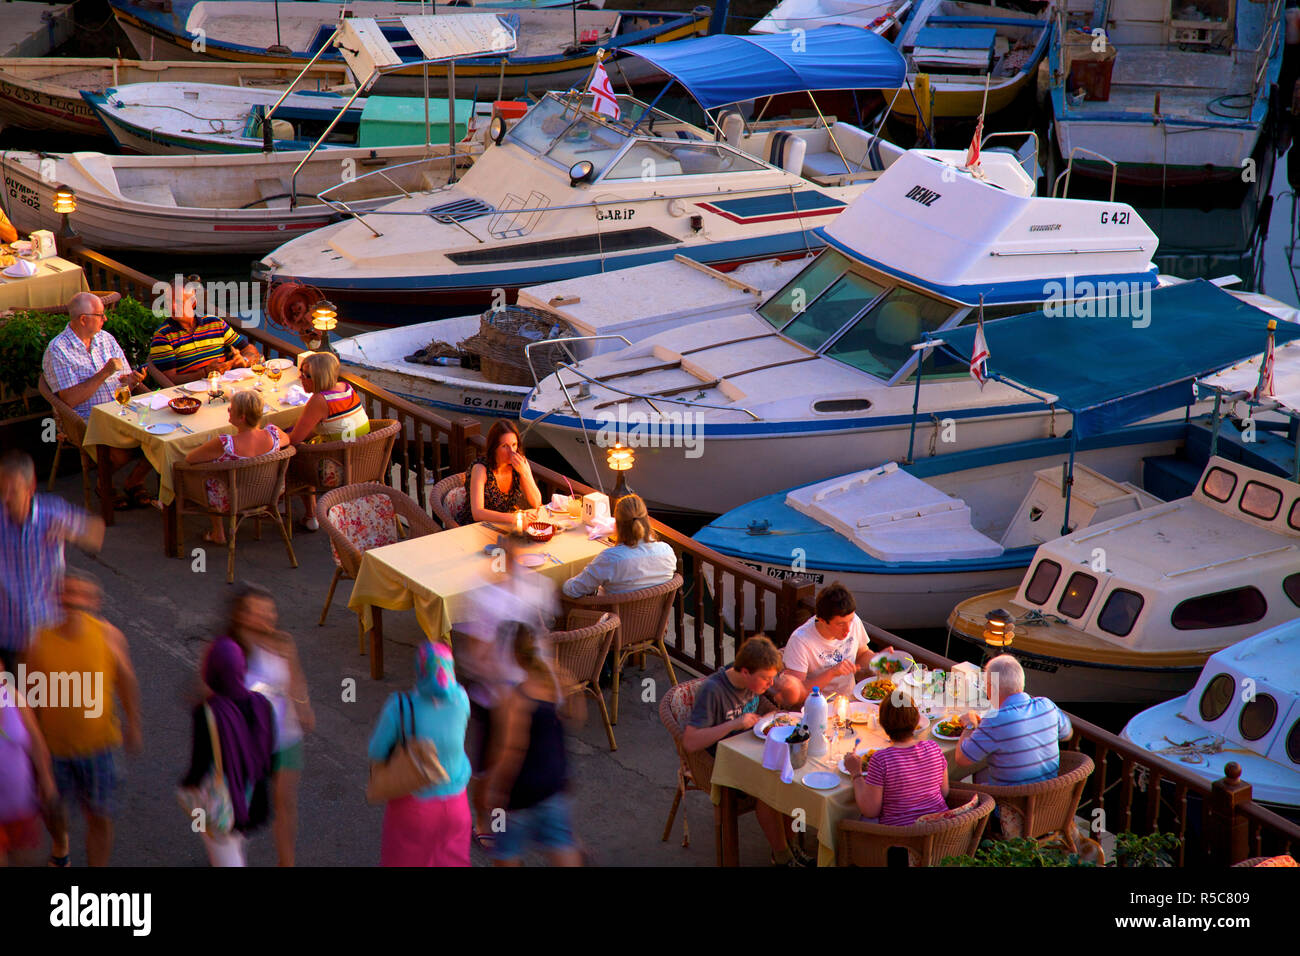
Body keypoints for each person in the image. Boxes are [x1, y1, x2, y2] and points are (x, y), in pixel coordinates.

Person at [26, 570, 142, 867]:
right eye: (67, 592)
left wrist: (134, 724)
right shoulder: (38, 642)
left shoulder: (109, 636)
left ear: (94, 601)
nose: (72, 599)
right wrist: (31, 746)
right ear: (56, 597)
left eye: (80, 593)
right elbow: (29, 698)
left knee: (100, 816)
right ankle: (61, 846)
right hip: (55, 750)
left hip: (101, 748)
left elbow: (125, 681)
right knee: (53, 810)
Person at [455, 537, 558, 852]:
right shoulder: (483, 595)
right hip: (494, 696)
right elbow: (476, 653)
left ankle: (514, 819)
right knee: (489, 763)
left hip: (525, 691)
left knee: (519, 757)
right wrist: (497, 683)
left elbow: (542, 636)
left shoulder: (534, 587)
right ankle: (485, 821)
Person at [682, 635, 809, 866]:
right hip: (720, 763)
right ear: (745, 672)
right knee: (770, 791)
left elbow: (763, 707)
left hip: (750, 752)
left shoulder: (751, 683)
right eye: (766, 679)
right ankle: (782, 857)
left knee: (792, 777)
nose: (769, 685)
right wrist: (734, 724)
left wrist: (774, 716)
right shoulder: (713, 691)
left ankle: (791, 847)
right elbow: (689, 742)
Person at [226, 584, 313, 868]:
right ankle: (230, 856)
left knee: (284, 802)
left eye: (269, 612)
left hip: (285, 737)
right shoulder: (228, 651)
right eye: (256, 612)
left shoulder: (283, 642)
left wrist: (303, 706)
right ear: (240, 616)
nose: (265, 618)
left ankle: (286, 863)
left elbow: (296, 679)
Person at [41, 293, 154, 507]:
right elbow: (70, 400)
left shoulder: (106, 339)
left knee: (161, 436)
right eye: (101, 315)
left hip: (121, 408)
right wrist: (103, 373)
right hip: (84, 418)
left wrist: (132, 380)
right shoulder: (58, 350)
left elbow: (124, 381)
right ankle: (104, 483)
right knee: (121, 454)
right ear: (83, 319)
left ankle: (133, 481)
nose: (105, 319)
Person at [367, 641, 472, 867]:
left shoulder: (400, 706)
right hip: (457, 806)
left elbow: (376, 751)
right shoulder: (462, 700)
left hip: (414, 805)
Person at [485, 622, 581, 867]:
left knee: (505, 852)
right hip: (555, 782)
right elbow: (579, 714)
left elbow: (510, 751)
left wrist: (496, 789)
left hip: (522, 792)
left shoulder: (516, 699)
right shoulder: (554, 681)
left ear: (514, 656)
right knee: (561, 845)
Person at [0, 450, 105, 660]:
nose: (6, 498)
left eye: (13, 491)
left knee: (52, 692)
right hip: (7, 636)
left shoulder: (52, 512)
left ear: (30, 488)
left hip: (48, 634)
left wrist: (73, 532)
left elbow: (96, 533)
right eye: (2, 490)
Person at [180, 636, 275, 867]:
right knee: (236, 850)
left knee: (227, 858)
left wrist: (186, 788)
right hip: (253, 798)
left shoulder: (207, 713)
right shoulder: (262, 704)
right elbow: (269, 755)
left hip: (223, 802)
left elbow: (200, 766)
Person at [185, 389, 290, 545]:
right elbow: (286, 440)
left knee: (199, 474)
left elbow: (190, 459)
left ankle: (218, 532)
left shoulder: (225, 444)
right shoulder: (273, 433)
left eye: (230, 409)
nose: (228, 411)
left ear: (241, 418)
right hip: (268, 492)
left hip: (233, 499)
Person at [954, 654, 1073, 785]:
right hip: (1050, 795)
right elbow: (1068, 734)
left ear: (991, 687)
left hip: (1010, 801)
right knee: (982, 770)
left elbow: (962, 759)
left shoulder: (995, 720)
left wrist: (969, 725)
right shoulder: (1047, 705)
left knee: (954, 782)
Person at [287, 351, 370, 530]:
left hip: (338, 468)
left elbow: (294, 440)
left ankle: (311, 515)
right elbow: (335, 425)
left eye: (306, 375)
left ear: (320, 376)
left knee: (292, 454)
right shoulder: (347, 388)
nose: (301, 377)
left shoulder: (319, 400)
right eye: (301, 372)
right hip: (365, 461)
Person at [843, 693, 948, 827]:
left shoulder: (881, 760)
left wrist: (856, 773)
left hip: (903, 839)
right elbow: (944, 792)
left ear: (882, 723)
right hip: (940, 830)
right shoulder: (934, 748)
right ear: (917, 721)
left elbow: (870, 811)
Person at [0, 651, 56, 868]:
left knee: (27, 861)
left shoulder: (13, 697)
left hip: (21, 806)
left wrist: (48, 784)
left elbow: (37, 744)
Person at [561, 493, 676, 598]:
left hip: (614, 619)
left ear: (616, 525)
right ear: (646, 519)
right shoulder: (667, 552)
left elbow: (571, 590)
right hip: (655, 619)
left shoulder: (610, 559)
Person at [780, 582, 879, 703]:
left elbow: (862, 654)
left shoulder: (853, 621)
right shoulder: (800, 641)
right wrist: (832, 672)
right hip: (818, 707)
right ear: (822, 620)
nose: (848, 629)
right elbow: (798, 693)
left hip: (851, 702)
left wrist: (880, 660)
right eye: (841, 624)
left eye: (850, 621)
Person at [148, 281, 259, 385]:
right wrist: (205, 372)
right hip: (191, 396)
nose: (172, 306)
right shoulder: (162, 336)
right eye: (168, 301)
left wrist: (244, 360)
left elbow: (249, 349)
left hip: (225, 385)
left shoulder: (215, 322)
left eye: (178, 301)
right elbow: (170, 381)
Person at [455, 420, 542, 526]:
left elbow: (536, 502)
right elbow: (477, 513)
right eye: (505, 446)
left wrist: (525, 473)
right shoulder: (481, 468)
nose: (512, 451)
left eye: (514, 445)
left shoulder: (519, 464)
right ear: (494, 448)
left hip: (504, 524)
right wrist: (513, 518)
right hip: (475, 526)